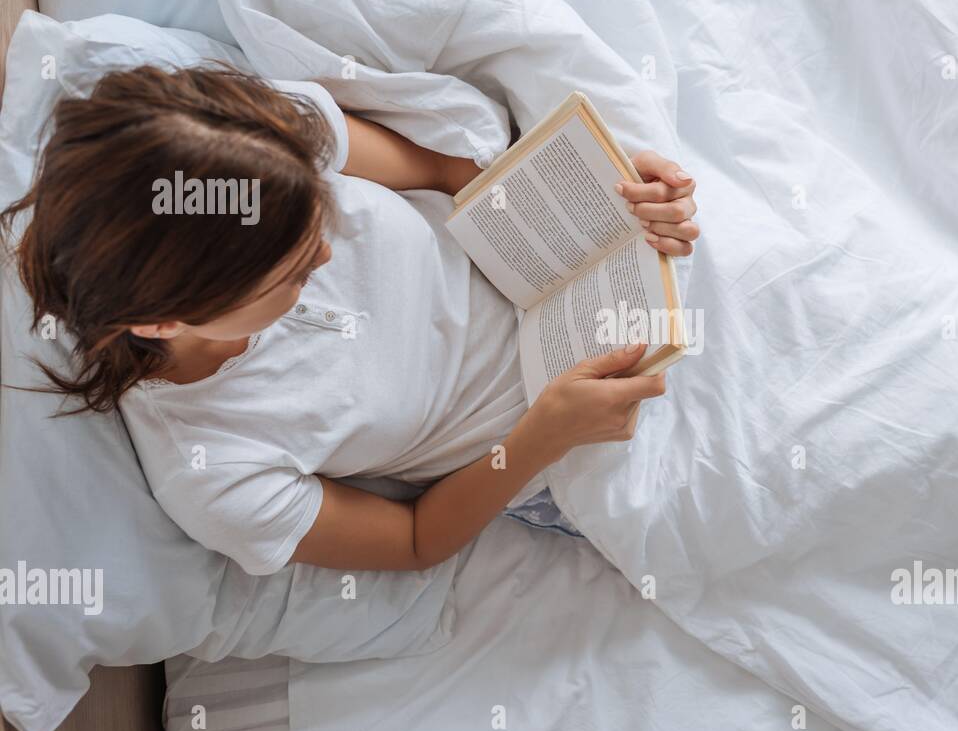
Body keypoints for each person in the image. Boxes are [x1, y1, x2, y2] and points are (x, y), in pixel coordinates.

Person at [0, 65, 699, 574]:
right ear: (162, 322)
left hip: (569, 270)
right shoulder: (215, 469)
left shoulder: (257, 152)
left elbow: (458, 172)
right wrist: (542, 439)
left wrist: (602, 200)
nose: (329, 252)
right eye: (297, 270)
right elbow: (416, 539)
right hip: (555, 442)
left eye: (322, 219)